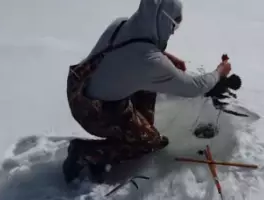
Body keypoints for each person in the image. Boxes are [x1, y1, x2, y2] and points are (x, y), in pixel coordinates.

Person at [63, 0, 231, 184]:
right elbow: (193, 87)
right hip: (95, 112)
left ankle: (131, 133)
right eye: (173, 24)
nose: (173, 31)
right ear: (161, 18)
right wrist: (219, 72)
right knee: (150, 143)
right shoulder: (148, 61)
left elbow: (126, 53)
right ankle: (87, 153)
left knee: (151, 85)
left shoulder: (120, 23)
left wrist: (166, 58)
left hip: (80, 90)